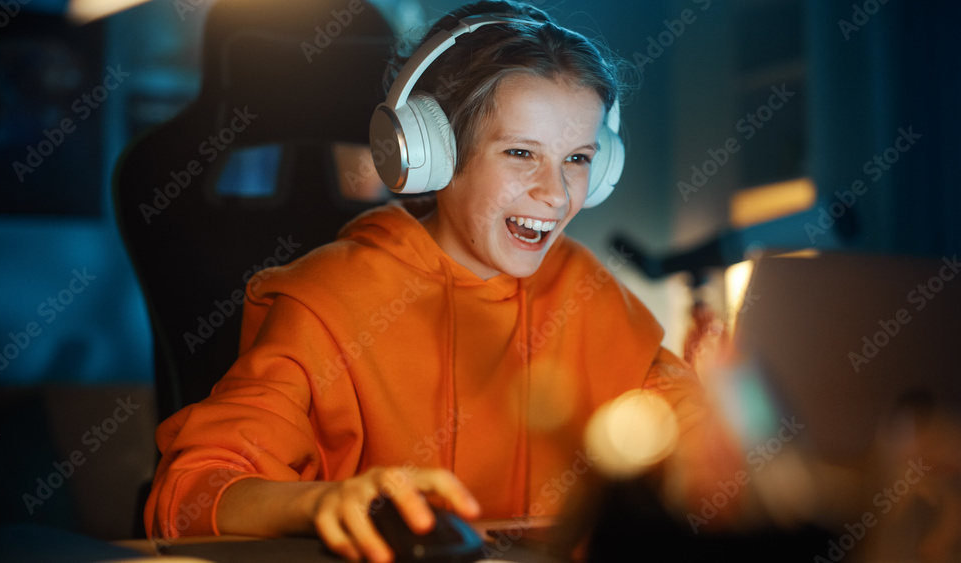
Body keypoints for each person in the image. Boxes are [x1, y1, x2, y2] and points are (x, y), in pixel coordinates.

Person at [145, 1, 730, 561]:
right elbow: (190, 492)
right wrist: (318, 501)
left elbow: (701, 437)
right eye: (522, 153)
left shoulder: (584, 288)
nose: (555, 193)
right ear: (434, 154)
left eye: (578, 159)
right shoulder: (327, 300)